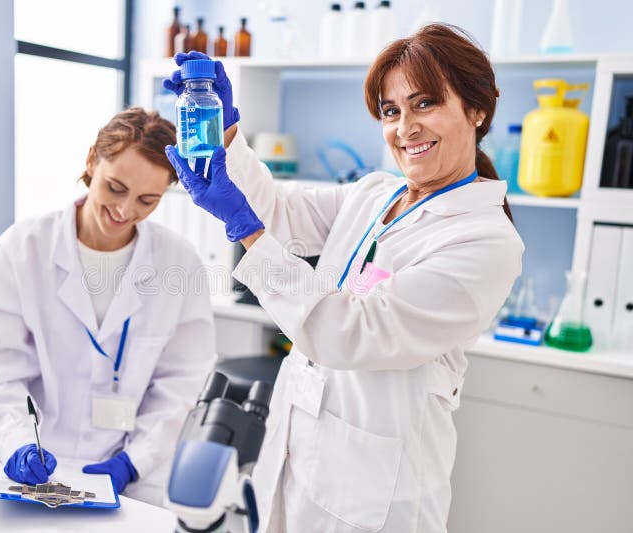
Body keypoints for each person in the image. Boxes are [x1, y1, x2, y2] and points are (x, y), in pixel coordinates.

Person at [164, 24, 523, 532]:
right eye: (391, 111)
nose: (405, 128)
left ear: (477, 109)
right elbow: (281, 216)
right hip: (298, 461)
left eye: (424, 104)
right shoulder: (376, 193)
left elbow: (351, 333)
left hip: (379, 497)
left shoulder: (485, 241)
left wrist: (246, 229)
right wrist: (224, 132)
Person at [0, 107, 216, 505]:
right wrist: (16, 444)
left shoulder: (179, 263)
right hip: (39, 462)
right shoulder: (23, 249)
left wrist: (134, 461)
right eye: (115, 187)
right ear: (91, 161)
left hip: (137, 473)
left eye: (147, 199)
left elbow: (184, 381)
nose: (125, 210)